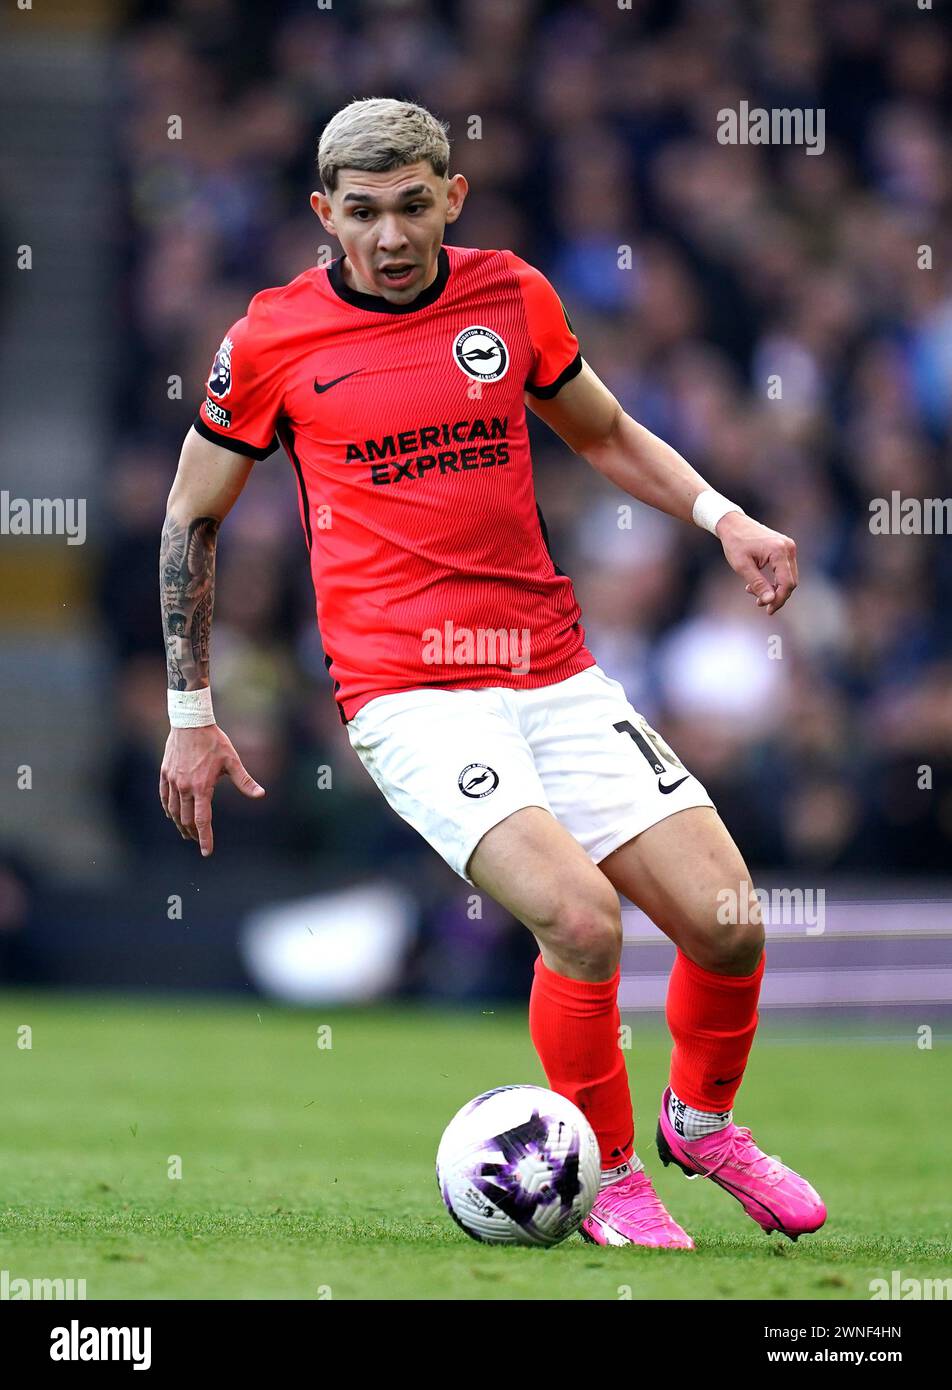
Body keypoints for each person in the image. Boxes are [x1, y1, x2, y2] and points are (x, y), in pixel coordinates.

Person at [159, 97, 824, 1249]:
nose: (390, 236)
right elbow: (189, 517)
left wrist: (725, 518)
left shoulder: (510, 295)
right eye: (361, 214)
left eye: (413, 206)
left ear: (451, 199)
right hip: (406, 695)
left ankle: (699, 1122)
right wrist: (190, 709)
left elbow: (606, 431)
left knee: (728, 922)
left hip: (553, 670)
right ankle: (609, 1172)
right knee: (579, 919)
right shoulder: (269, 340)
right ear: (325, 213)